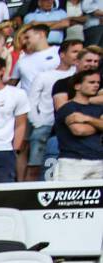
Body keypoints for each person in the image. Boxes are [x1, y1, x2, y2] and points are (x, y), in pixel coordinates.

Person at [28, 39, 83, 179]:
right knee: (36, 165)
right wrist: (37, 122)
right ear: (62, 54)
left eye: (81, 52)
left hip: (69, 126)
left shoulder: (81, 78)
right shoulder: (45, 75)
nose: (78, 55)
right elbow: (32, 101)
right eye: (75, 51)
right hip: (45, 125)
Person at [53, 69, 103, 177]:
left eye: (98, 83)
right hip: (72, 162)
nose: (96, 85)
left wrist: (86, 119)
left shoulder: (100, 108)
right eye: (91, 82)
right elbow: (79, 130)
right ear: (77, 86)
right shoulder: (67, 108)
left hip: (99, 161)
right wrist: (99, 124)